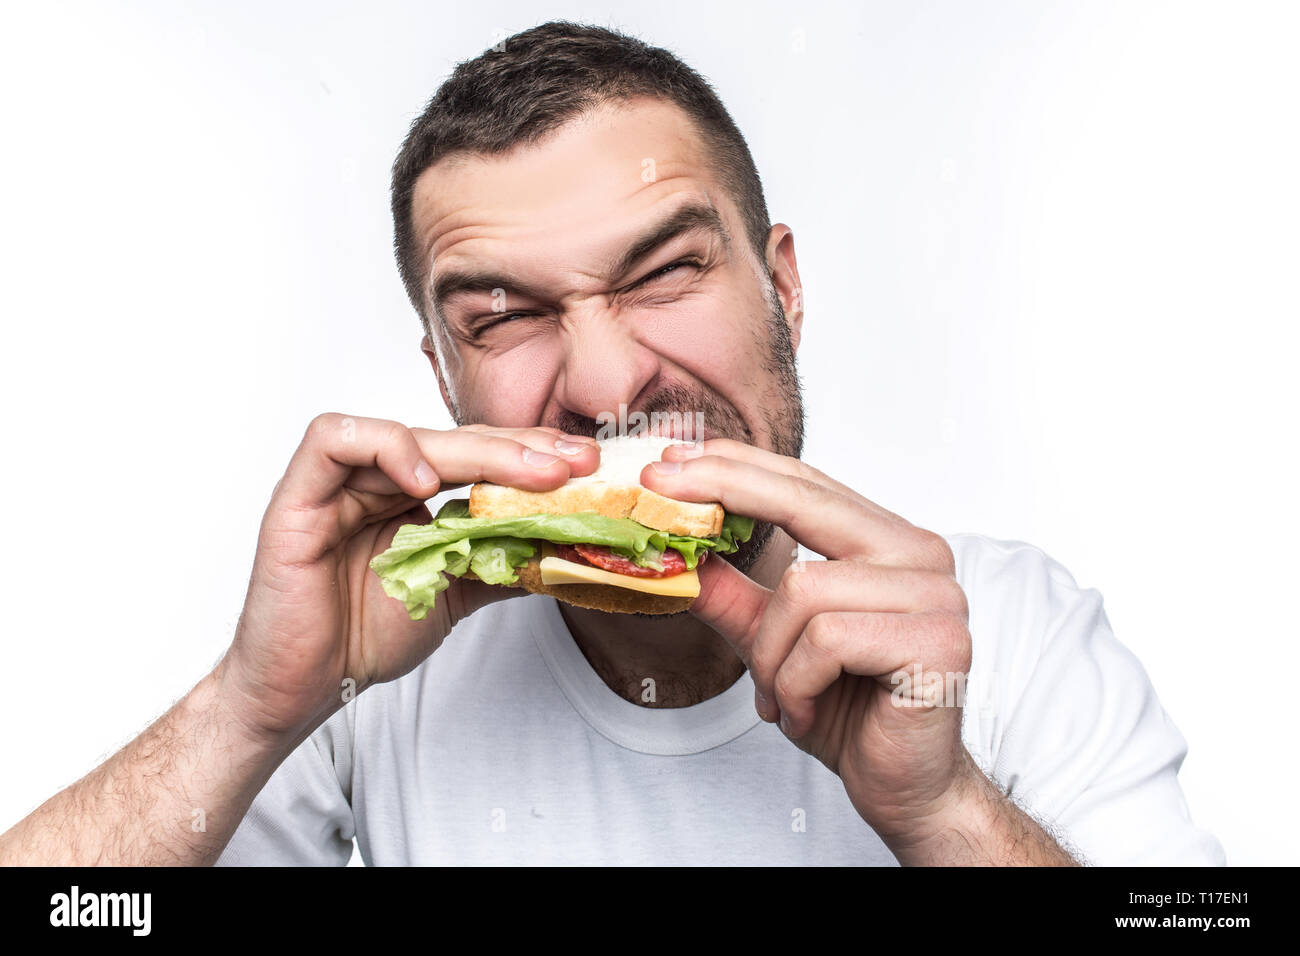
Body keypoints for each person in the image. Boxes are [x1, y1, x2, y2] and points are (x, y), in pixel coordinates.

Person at [0, 21, 1223, 867]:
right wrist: (251, 705)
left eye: (665, 272)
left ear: (783, 288)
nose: (603, 382)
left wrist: (945, 808)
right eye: (505, 316)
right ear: (442, 375)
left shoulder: (1011, 627)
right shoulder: (368, 673)